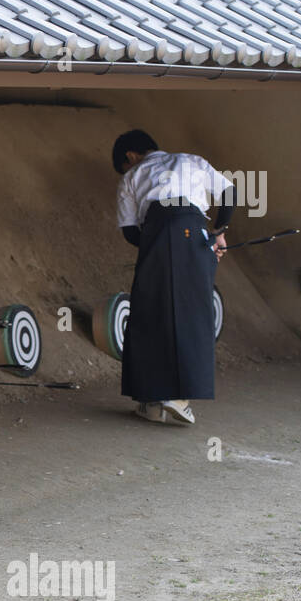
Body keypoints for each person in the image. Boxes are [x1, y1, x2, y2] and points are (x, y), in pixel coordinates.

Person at [113, 130, 231, 426]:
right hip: (193, 229)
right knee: (191, 311)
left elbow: (130, 232)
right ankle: (178, 397)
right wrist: (217, 233)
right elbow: (230, 193)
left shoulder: (131, 177)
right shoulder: (191, 160)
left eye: (125, 164)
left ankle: (151, 401)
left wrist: (160, 246)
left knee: (148, 313)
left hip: (154, 234)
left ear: (130, 156)